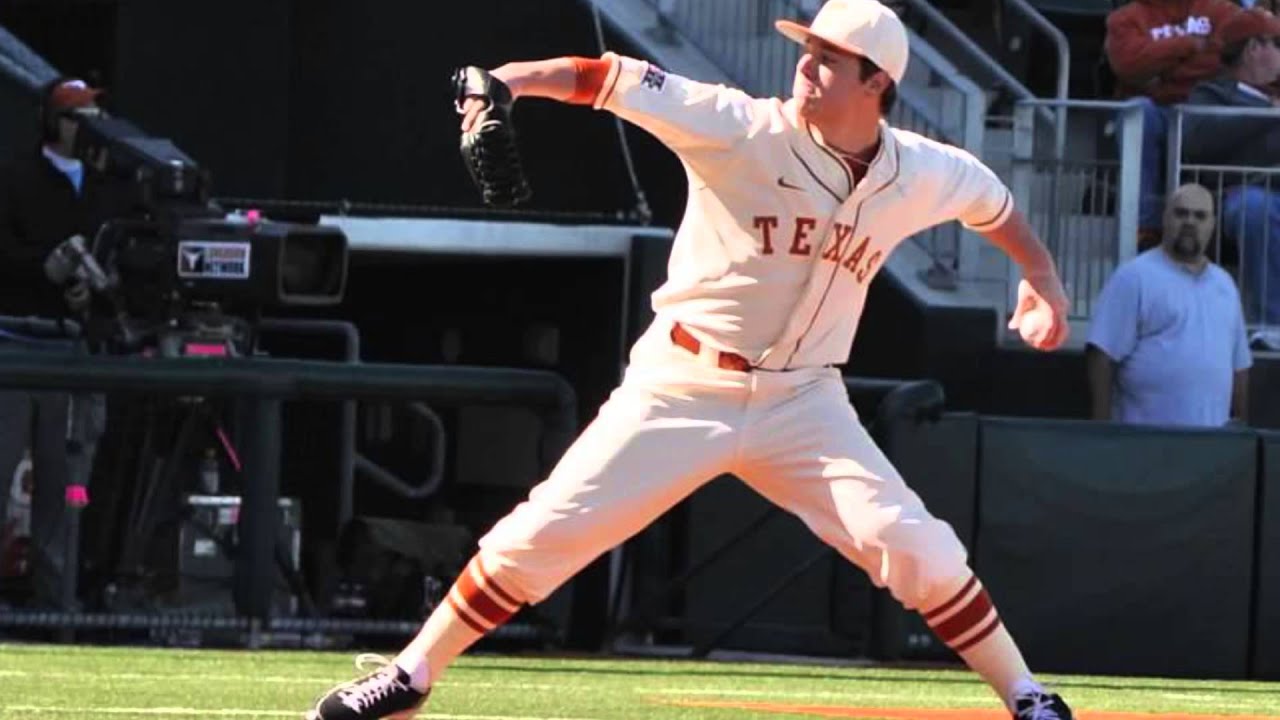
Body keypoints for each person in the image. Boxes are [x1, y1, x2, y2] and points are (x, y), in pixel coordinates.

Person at [305, 1, 1075, 718]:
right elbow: (607, 77)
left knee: (918, 547)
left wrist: (1042, 280)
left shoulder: (922, 170)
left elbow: (995, 205)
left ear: (878, 83)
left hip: (803, 403)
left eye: (829, 59)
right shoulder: (739, 126)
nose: (805, 67)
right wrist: (507, 82)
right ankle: (410, 675)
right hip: (683, 383)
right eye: (806, 51)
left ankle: (1027, 697)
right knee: (543, 533)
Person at [0, 77, 109, 610]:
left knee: (66, 487)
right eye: (73, 115)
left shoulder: (109, 186)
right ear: (51, 120)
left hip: (74, 351)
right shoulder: (14, 175)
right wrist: (45, 266)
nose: (82, 126)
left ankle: (56, 608)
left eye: (90, 114)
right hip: (14, 346)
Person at [1086, 184, 1252, 426]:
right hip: (1146, 446)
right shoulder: (1134, 277)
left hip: (1212, 448)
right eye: (1181, 213)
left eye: (1200, 215)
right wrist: (1101, 430)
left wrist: (1241, 433)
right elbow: (1101, 354)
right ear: (1165, 218)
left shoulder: (1225, 286)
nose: (1190, 222)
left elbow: (1239, 366)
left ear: (1213, 224)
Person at [1105, 0, 1241, 249]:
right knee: (1138, 112)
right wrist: (1188, 45)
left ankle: (1221, 221)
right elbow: (1128, 65)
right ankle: (1143, 227)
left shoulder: (1221, 11)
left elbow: (1230, 64)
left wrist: (1162, 71)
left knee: (1234, 107)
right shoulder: (1126, 18)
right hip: (1157, 110)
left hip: (1206, 108)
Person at [1182, 8, 1280, 327]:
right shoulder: (1212, 94)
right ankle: (1271, 325)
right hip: (1238, 194)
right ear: (1253, 48)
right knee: (1254, 209)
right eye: (1277, 43)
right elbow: (1196, 140)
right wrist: (1266, 113)